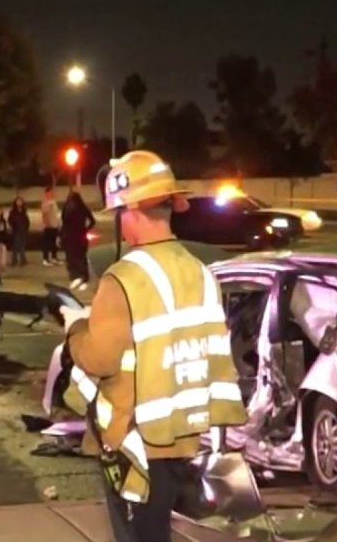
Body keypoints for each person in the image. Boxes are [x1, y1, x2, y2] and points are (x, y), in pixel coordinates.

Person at [59, 150, 248, 542]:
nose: (119, 222)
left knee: (138, 534)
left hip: (133, 437)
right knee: (156, 530)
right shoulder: (200, 271)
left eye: (120, 213)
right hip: (183, 432)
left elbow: (100, 357)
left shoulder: (124, 277)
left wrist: (75, 330)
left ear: (132, 211)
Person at [60, 190, 95, 291]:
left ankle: (74, 277)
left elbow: (64, 224)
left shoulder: (66, 208)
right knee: (81, 257)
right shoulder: (82, 208)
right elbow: (92, 221)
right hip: (80, 236)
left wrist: (61, 236)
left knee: (71, 257)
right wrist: (86, 229)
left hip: (69, 237)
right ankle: (84, 277)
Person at [40, 186, 61, 266]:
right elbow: (44, 214)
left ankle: (54, 258)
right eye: (50, 192)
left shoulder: (53, 201)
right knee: (47, 243)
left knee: (53, 243)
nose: (52, 194)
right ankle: (45, 259)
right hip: (49, 226)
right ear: (47, 193)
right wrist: (47, 223)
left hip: (55, 225)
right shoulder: (46, 202)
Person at [8, 196, 30, 266]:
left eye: (20, 201)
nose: (19, 203)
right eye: (18, 201)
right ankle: (14, 260)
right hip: (16, 230)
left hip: (23, 230)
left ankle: (23, 260)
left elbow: (27, 220)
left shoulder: (24, 211)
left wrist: (26, 227)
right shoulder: (13, 212)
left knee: (22, 246)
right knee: (16, 246)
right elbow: (10, 220)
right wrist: (14, 225)